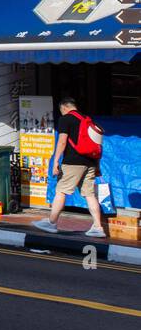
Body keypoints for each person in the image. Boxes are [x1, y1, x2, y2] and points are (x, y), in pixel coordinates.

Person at [33, 97, 106, 237]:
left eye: (61, 111)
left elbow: (62, 142)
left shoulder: (65, 119)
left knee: (61, 191)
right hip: (90, 162)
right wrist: (97, 165)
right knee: (90, 195)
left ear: (64, 108)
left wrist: (55, 161)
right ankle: (98, 227)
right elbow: (97, 145)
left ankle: (52, 223)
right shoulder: (88, 119)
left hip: (73, 162)